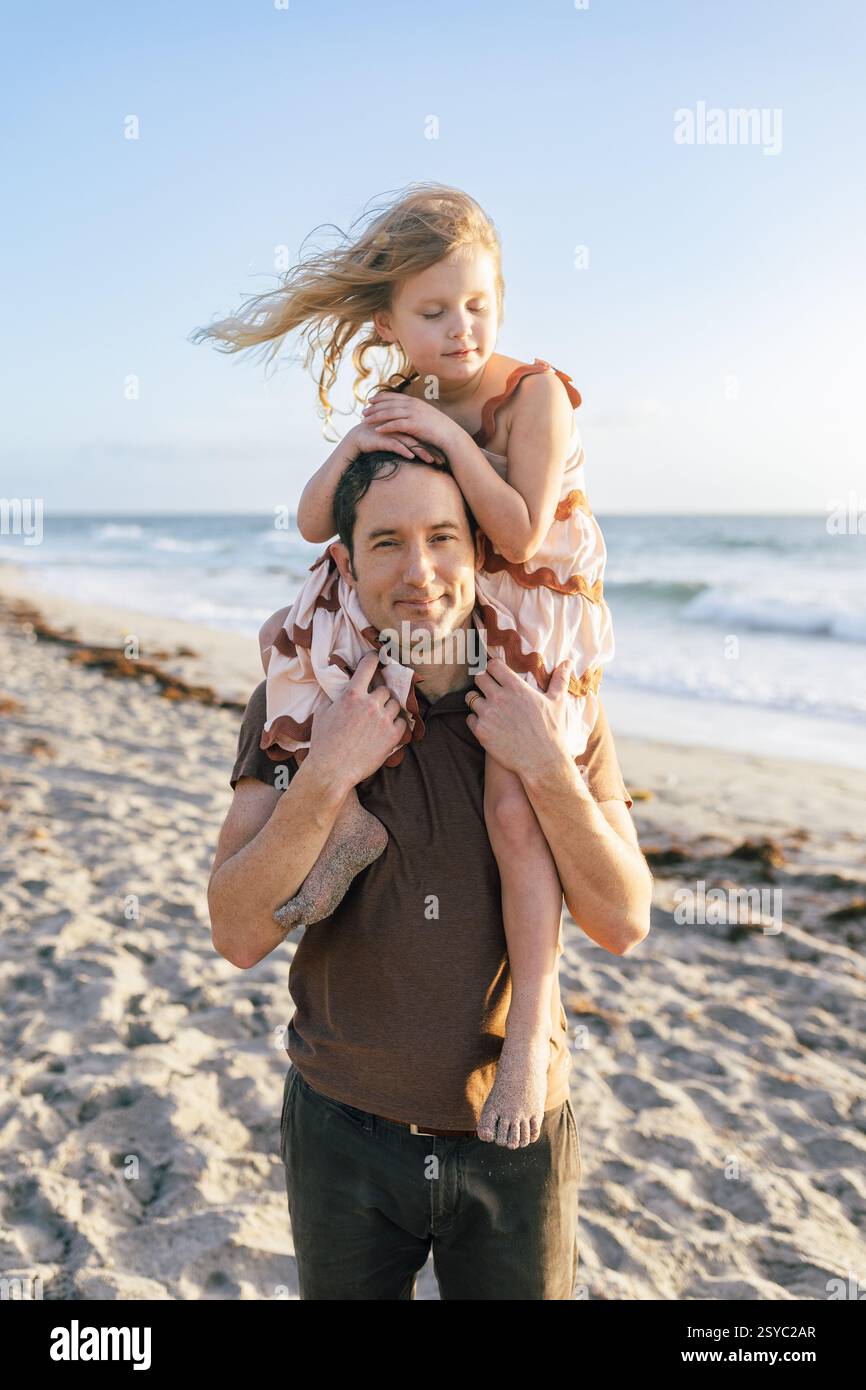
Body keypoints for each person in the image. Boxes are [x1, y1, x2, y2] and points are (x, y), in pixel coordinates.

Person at [194, 182, 616, 1148]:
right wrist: (363, 436)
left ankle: (531, 1035)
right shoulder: (408, 400)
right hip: (471, 594)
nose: (461, 330)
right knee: (308, 640)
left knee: (516, 807)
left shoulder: (534, 395)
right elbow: (316, 523)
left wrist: (444, 446)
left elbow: (513, 532)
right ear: (389, 323)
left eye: (478, 304)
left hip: (527, 601)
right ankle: (332, 820)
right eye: (432, 313)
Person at [207, 446, 652, 1300]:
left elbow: (623, 921)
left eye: (443, 537)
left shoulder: (554, 699)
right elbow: (236, 933)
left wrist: (549, 771)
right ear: (343, 560)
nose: (420, 572)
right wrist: (331, 772)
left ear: (480, 551)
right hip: (342, 1124)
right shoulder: (299, 702)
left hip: (517, 1138)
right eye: (386, 543)